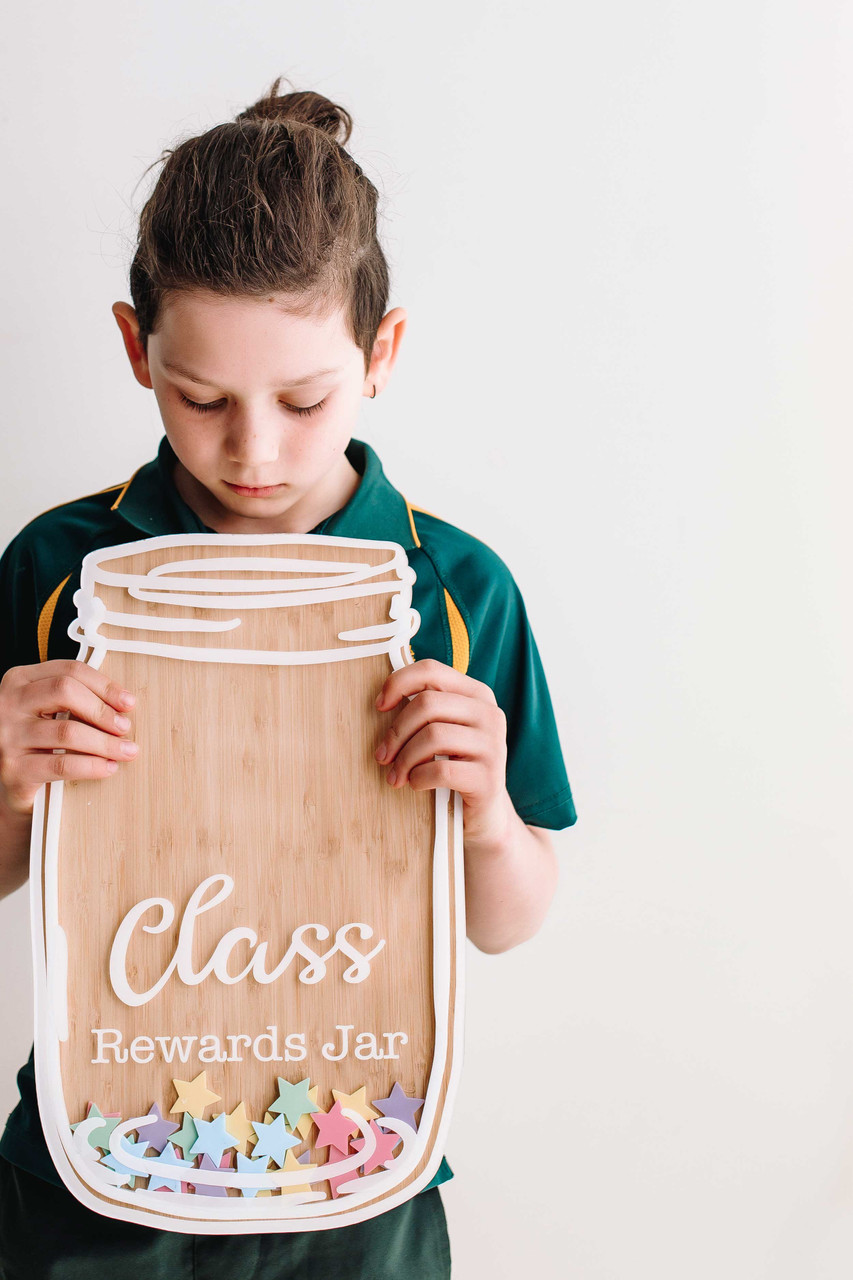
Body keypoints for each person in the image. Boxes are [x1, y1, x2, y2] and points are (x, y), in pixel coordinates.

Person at [0, 78, 578, 1279]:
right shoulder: (62, 570)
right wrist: (5, 783)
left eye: (304, 399)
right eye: (201, 397)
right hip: (98, 1157)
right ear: (135, 349)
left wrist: (483, 811)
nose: (251, 449)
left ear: (382, 353)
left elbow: (508, 918)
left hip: (360, 1168)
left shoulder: (455, 587)